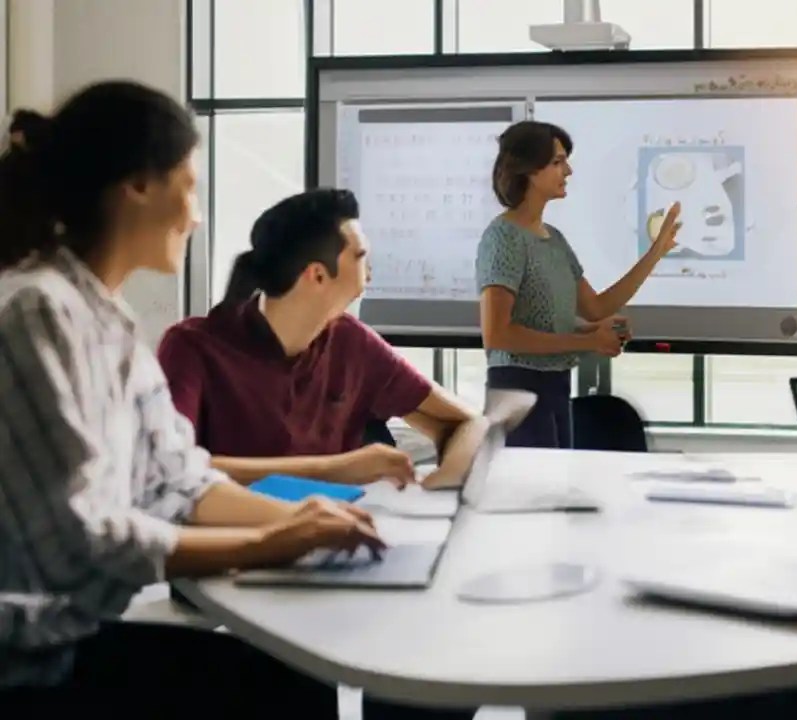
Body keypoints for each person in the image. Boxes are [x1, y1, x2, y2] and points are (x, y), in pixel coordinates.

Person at [0, 81, 383, 718]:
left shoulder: (108, 320)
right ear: (139, 186)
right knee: (278, 685)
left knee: (293, 674)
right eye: (190, 184)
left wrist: (299, 521)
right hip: (34, 666)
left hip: (81, 640)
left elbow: (179, 483)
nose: (197, 214)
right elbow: (77, 540)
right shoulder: (38, 311)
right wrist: (269, 543)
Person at [157, 189, 488, 489]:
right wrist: (339, 469)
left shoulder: (351, 341)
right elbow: (169, 470)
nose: (370, 273)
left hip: (332, 534)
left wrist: (437, 482)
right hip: (234, 544)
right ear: (316, 275)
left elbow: (464, 422)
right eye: (360, 258)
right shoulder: (190, 347)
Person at [476, 120, 682, 448]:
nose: (568, 171)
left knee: (556, 492)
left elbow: (595, 307)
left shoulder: (554, 239)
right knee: (536, 496)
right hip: (517, 391)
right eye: (558, 162)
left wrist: (655, 253)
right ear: (528, 170)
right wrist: (585, 341)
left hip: (556, 387)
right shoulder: (504, 238)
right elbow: (498, 334)